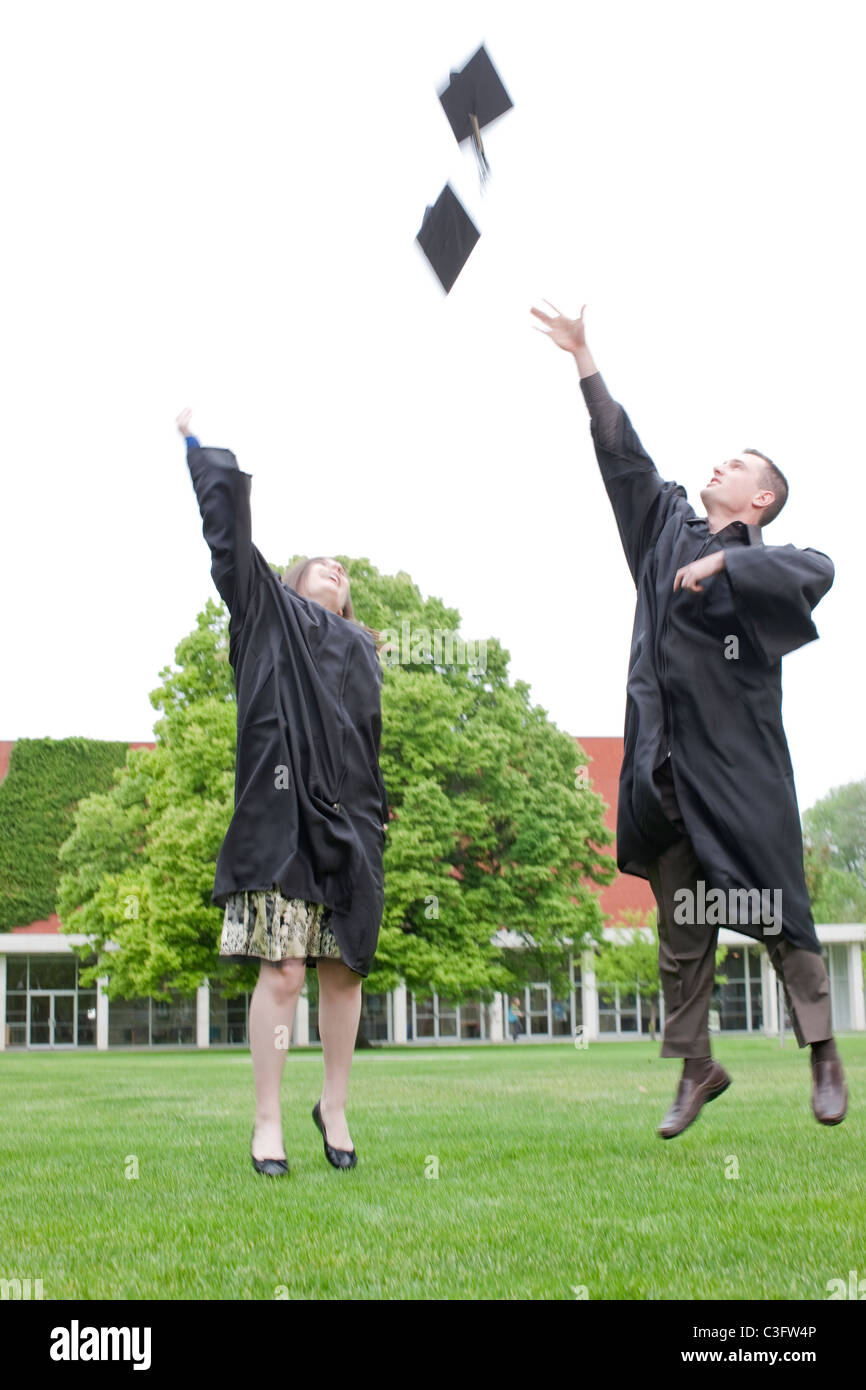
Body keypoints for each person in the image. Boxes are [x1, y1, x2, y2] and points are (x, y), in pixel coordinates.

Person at [530, 304, 846, 1137]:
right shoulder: (664, 525)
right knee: (683, 929)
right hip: (664, 766)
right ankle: (697, 1067)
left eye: (738, 463)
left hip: (739, 769)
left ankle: (822, 1052)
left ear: (763, 496)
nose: (720, 463)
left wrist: (730, 561)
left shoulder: (774, 558)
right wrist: (583, 356)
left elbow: (819, 572)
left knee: (779, 911)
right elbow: (622, 455)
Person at [177, 408, 389, 1174]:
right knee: (285, 968)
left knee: (343, 970)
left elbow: (367, 751)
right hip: (283, 817)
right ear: (292, 581)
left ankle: (333, 1104)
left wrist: (376, 831)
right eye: (319, 563)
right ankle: (267, 1122)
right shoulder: (268, 615)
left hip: (355, 828)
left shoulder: (364, 652)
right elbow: (231, 544)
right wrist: (203, 455)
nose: (334, 567)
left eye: (343, 568)